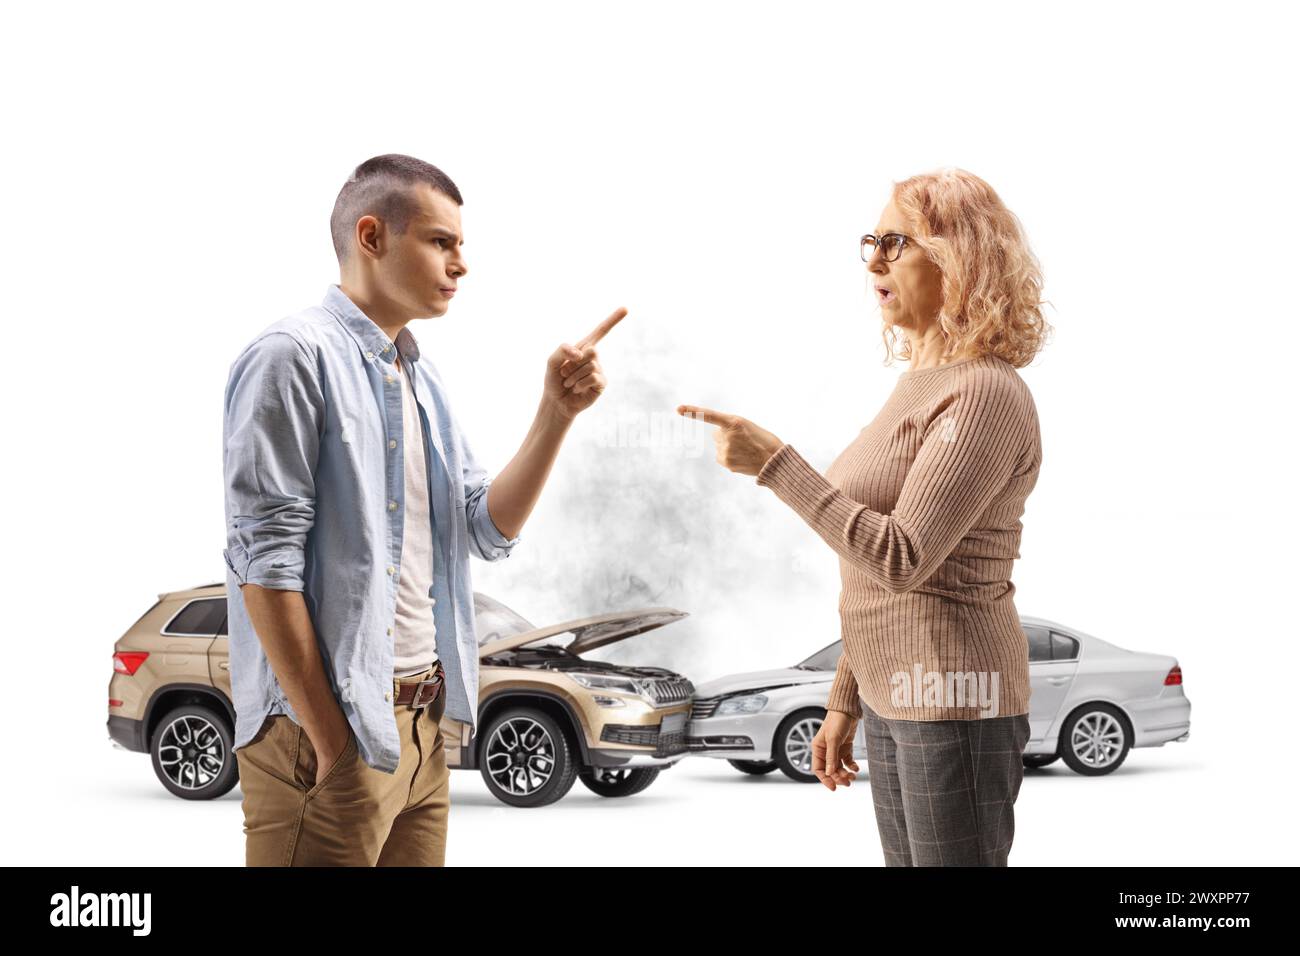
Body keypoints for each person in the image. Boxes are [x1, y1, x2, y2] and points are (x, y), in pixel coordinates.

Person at [221, 153, 624, 866]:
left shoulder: (419, 376)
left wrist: (556, 413)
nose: (461, 263)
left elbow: (483, 527)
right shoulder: (290, 356)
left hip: (420, 728)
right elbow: (265, 565)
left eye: (460, 245)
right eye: (442, 241)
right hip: (328, 734)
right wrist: (333, 742)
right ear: (371, 237)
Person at [678, 167, 1049, 866]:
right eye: (872, 241)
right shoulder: (919, 385)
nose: (874, 259)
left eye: (897, 242)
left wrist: (776, 464)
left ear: (960, 258)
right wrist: (847, 698)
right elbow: (871, 578)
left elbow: (902, 558)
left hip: (956, 695)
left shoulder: (985, 395)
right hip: (896, 695)